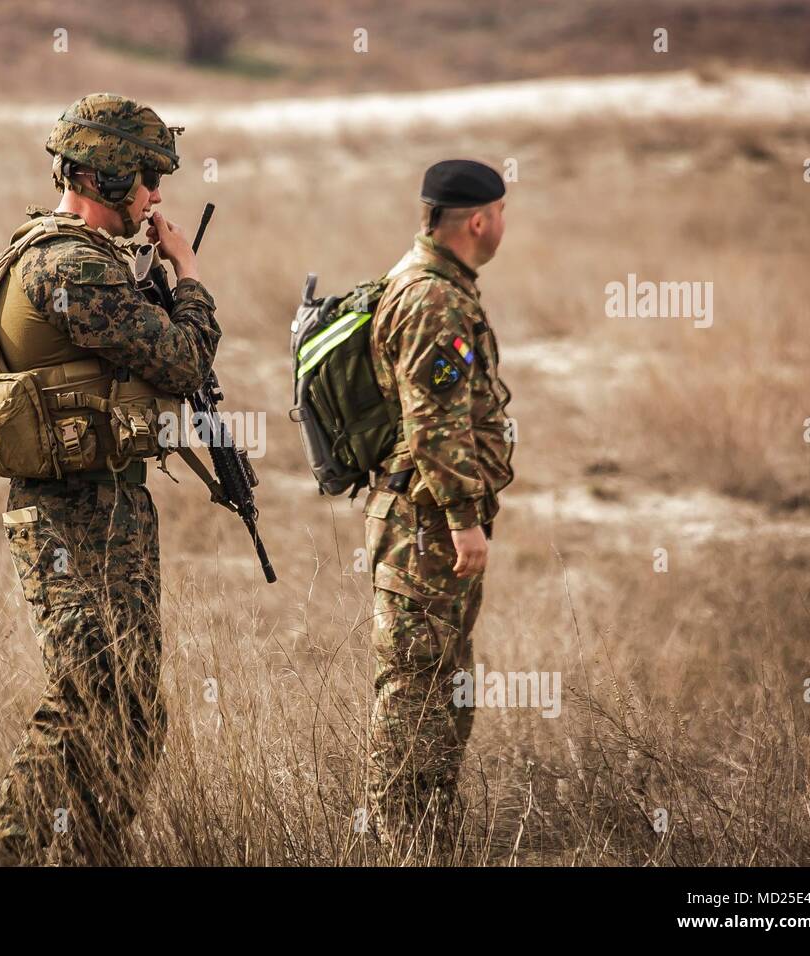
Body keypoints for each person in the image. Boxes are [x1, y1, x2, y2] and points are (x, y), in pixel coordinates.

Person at [0, 93, 221, 865]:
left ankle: (85, 850)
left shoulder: (61, 255)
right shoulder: (71, 265)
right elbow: (184, 359)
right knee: (91, 703)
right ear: (107, 174)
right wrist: (187, 276)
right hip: (74, 518)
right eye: (146, 177)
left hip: (99, 510)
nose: (155, 196)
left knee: (128, 710)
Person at [364, 159, 514, 852]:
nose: (504, 226)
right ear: (479, 221)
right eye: (502, 213)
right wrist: (463, 520)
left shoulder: (431, 283)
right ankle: (402, 844)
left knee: (441, 688)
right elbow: (434, 422)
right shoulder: (433, 299)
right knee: (415, 693)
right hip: (424, 526)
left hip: (425, 521)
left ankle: (431, 841)